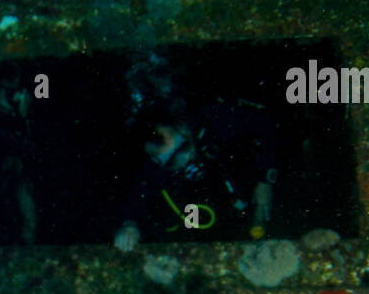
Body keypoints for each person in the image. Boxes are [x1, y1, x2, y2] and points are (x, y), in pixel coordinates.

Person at [114, 98, 277, 251]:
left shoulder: (213, 119)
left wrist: (265, 179)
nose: (184, 161)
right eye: (171, 161)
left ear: (184, 127)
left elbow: (265, 122)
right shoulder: (153, 170)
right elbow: (134, 202)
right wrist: (129, 226)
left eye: (183, 147)